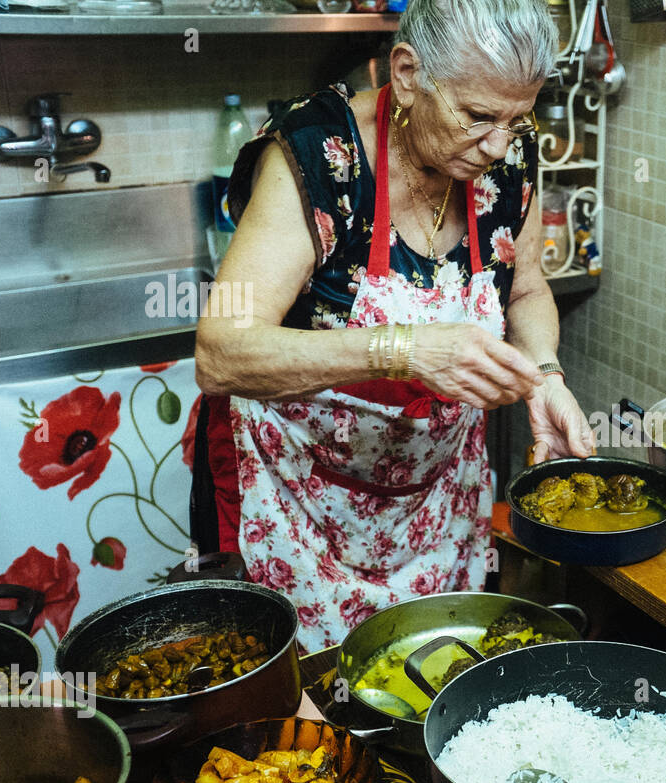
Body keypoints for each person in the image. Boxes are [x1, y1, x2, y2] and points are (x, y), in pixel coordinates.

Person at [190, 0, 595, 650]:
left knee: (432, 678)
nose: (497, 145)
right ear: (407, 74)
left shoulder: (504, 163)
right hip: (296, 500)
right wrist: (402, 349)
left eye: (517, 121)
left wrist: (544, 370)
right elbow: (221, 352)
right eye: (479, 116)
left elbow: (526, 289)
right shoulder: (316, 159)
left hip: (435, 505)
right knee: (304, 725)